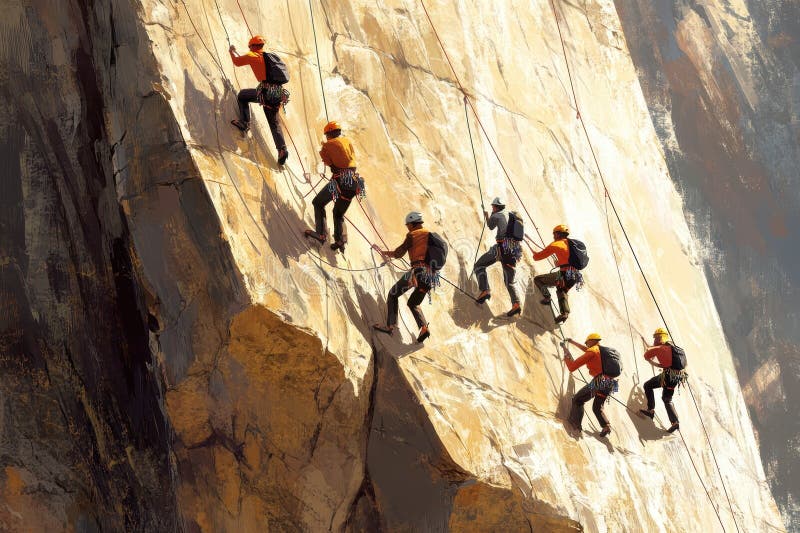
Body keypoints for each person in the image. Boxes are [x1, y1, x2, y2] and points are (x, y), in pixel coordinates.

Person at [372, 212, 433, 343]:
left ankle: (390, 326)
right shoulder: (430, 235)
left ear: (412, 224)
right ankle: (424, 328)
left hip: (417, 272)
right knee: (414, 303)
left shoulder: (413, 235)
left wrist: (383, 253)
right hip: (430, 276)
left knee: (393, 294)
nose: (407, 227)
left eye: (408, 225)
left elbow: (398, 253)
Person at [229, 35, 289, 165]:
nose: (249, 49)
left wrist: (231, 51)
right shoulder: (269, 56)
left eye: (250, 47)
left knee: (242, 96)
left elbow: (237, 62)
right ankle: (282, 149)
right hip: (278, 92)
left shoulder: (253, 55)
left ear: (252, 46)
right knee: (274, 123)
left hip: (266, 92)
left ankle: (244, 122)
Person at [304, 121, 360, 251]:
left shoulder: (327, 145)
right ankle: (339, 240)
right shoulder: (347, 141)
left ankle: (321, 234)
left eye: (326, 135)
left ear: (329, 134)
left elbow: (328, 162)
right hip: (353, 183)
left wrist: (325, 150)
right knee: (338, 213)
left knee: (318, 203)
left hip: (340, 182)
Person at [561, 333, 618, 436]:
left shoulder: (592, 351)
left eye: (587, 343)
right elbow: (586, 350)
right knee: (597, 407)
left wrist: (565, 354)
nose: (586, 345)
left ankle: (575, 425)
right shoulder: (601, 351)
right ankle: (606, 426)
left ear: (591, 341)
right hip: (610, 383)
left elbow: (572, 367)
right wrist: (573, 342)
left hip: (599, 381)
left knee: (578, 399)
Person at [474, 197, 521, 317]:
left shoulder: (497, 215)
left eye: (493, 207)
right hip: (513, 252)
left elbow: (490, 226)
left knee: (479, 266)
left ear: (496, 207)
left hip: (501, 248)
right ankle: (516, 304)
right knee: (509, 282)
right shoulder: (510, 215)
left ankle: (485, 290)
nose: (492, 208)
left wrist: (487, 215)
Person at [639, 327, 687, 433]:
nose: (654, 340)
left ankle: (650, 410)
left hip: (668, 376)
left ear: (659, 338)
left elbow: (646, 356)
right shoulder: (676, 349)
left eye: (656, 338)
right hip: (677, 377)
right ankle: (675, 422)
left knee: (648, 385)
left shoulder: (659, 348)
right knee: (667, 399)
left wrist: (653, 361)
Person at [533, 224, 577, 323]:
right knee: (562, 290)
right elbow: (568, 259)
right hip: (574, 276)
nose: (553, 236)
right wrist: (560, 263)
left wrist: (535, 255)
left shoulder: (556, 244)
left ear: (558, 234)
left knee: (538, 280)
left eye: (554, 234)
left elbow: (537, 257)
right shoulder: (572, 244)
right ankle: (565, 313)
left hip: (564, 274)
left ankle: (547, 297)